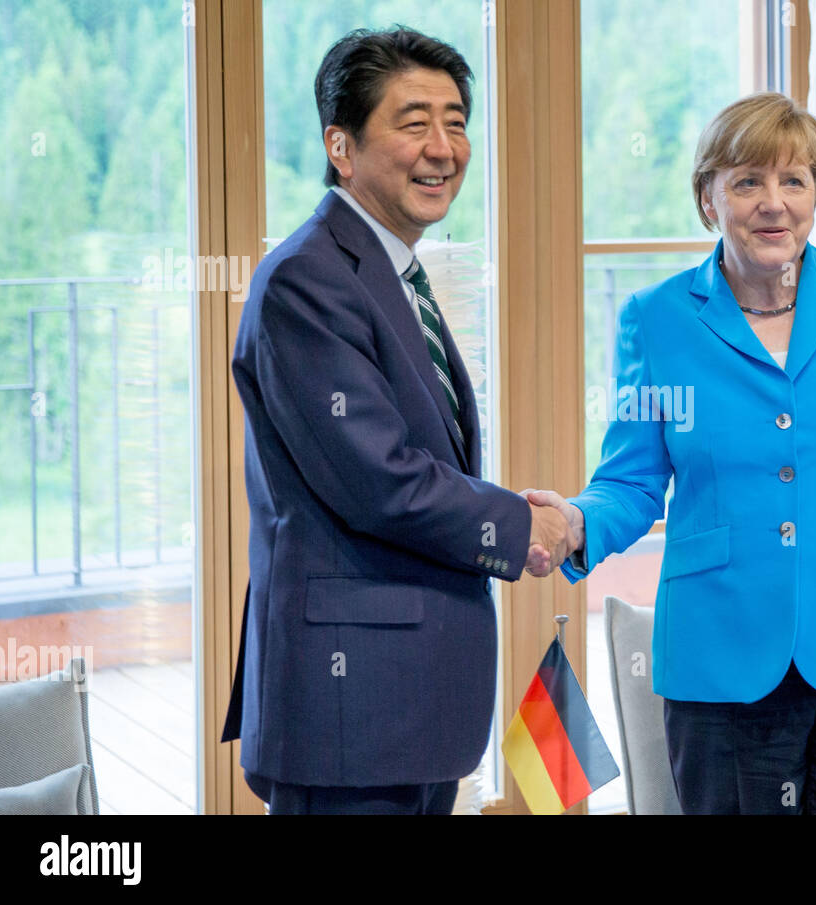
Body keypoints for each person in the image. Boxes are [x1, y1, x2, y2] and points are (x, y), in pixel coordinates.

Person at [525, 92, 816, 815]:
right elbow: (632, 479)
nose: (774, 203)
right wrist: (578, 521)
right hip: (724, 657)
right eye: (747, 181)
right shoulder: (658, 319)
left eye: (794, 181)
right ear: (709, 199)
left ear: (814, 196)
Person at [221, 27, 575, 815]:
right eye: (413, 123)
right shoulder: (306, 280)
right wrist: (520, 526)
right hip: (351, 709)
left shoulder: (391, 267)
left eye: (456, 121)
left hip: (409, 703)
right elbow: (379, 479)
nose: (444, 147)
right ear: (340, 146)